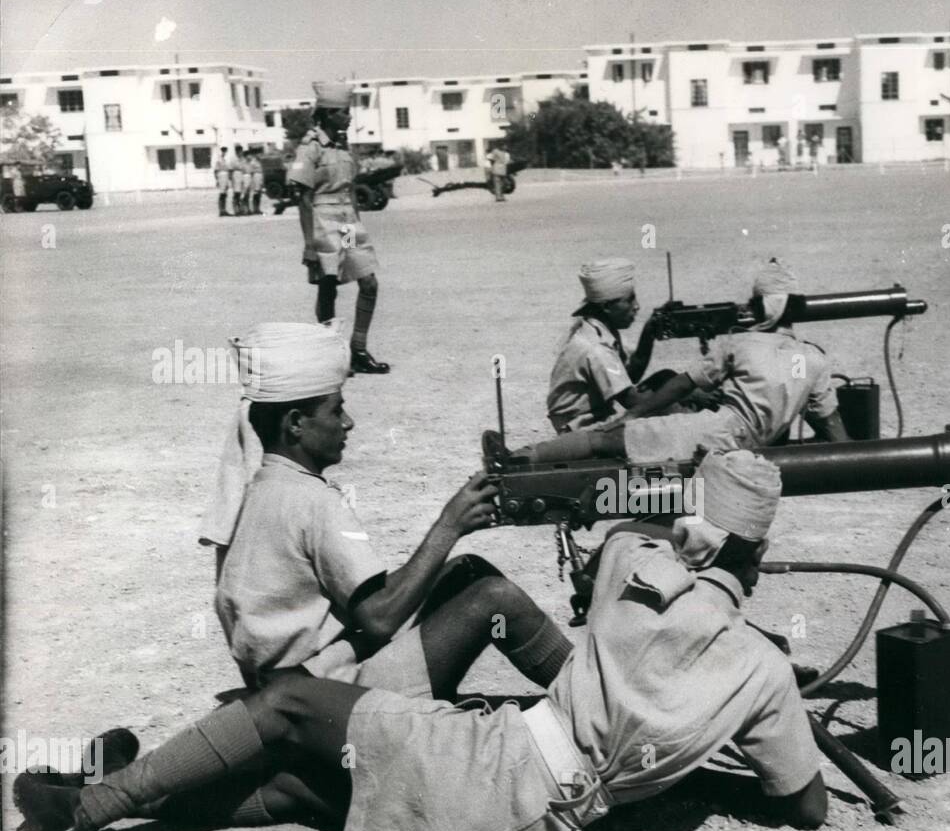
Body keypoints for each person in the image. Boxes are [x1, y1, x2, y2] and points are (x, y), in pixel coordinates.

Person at [14, 450, 826, 831]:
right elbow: (807, 808)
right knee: (296, 786)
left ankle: (87, 809)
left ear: (687, 522)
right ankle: (98, 810)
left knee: (293, 702)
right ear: (759, 550)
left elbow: (617, 529)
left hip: (499, 772)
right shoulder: (761, 672)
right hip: (545, 824)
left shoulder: (628, 564)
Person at [198, 322, 571, 697]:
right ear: (295, 423)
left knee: (465, 571)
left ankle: (586, 691)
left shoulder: (262, 485)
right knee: (495, 597)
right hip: (322, 697)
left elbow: (362, 604)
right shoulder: (314, 500)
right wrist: (449, 525)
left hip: (298, 681)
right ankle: (596, 699)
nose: (348, 422)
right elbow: (379, 618)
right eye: (336, 410)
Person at [492, 258, 850, 466]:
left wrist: (632, 419)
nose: (635, 305)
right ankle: (518, 458)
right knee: (663, 408)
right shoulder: (814, 360)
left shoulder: (739, 345)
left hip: (717, 434)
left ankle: (517, 459)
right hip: (744, 440)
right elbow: (835, 436)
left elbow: (680, 383)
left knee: (611, 438)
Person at [545, 258, 710, 437]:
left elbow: (630, 375)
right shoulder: (596, 348)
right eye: (629, 300)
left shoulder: (599, 330)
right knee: (675, 416)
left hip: (597, 416)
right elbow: (633, 401)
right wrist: (686, 392)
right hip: (581, 430)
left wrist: (649, 333)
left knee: (665, 377)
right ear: (607, 306)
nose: (637, 306)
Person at [288, 81, 388, 375]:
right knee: (328, 287)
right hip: (322, 220)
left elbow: (352, 189)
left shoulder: (344, 147)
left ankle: (358, 349)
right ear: (329, 113)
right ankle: (329, 355)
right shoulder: (310, 148)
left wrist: (357, 225)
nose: (349, 117)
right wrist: (309, 244)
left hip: (347, 222)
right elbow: (304, 199)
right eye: (344, 112)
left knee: (368, 282)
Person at [230, 145, 249, 215]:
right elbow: (230, 170)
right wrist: (231, 179)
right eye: (239, 151)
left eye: (241, 151)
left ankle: (242, 209)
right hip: (236, 174)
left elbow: (245, 168)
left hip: (242, 175)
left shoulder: (243, 159)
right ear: (236, 151)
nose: (240, 153)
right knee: (236, 193)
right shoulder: (233, 159)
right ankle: (236, 210)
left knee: (242, 193)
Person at [215, 145, 232, 217]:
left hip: (225, 176)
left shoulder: (225, 160)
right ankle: (221, 210)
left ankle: (224, 210)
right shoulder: (218, 160)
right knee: (222, 194)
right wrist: (217, 180)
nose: (224, 153)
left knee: (225, 193)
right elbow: (215, 170)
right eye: (223, 151)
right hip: (221, 176)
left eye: (225, 152)